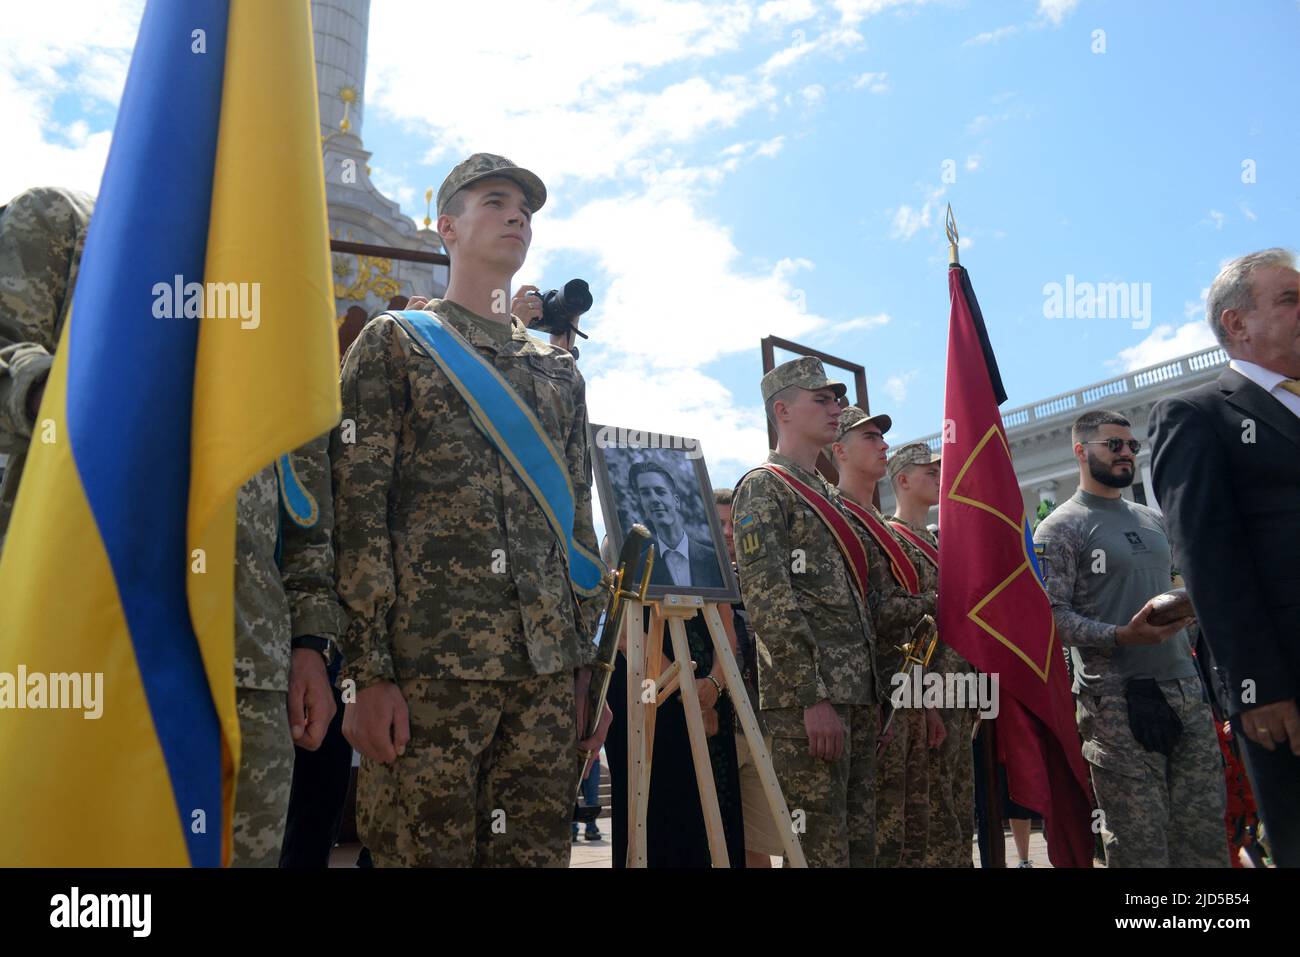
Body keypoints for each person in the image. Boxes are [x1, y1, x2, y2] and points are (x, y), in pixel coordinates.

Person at [0, 185, 340, 867]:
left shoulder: (275, 295)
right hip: (91, 640)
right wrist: (49, 387)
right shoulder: (64, 220)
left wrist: (310, 642)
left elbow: (305, 505)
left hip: (250, 668)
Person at [331, 153, 612, 867]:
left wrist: (590, 670)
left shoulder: (558, 374)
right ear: (448, 227)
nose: (517, 214)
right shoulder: (395, 344)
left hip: (546, 678)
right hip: (429, 675)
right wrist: (365, 672)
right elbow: (358, 511)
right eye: (495, 201)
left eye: (524, 207)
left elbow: (580, 530)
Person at [1150, 248, 1300, 867]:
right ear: (1237, 323)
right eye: (1290, 299)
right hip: (1285, 682)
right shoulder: (1199, 415)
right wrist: (1255, 685)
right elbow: (1209, 557)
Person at [1034, 409, 1225, 867]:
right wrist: (1122, 635)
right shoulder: (1060, 527)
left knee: (1203, 840)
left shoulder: (1152, 521)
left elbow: (1179, 590)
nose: (1125, 453)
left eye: (1131, 446)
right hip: (1115, 705)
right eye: (1113, 445)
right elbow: (1051, 618)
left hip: (1185, 694)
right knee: (1140, 848)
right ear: (1081, 451)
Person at [732, 358, 879, 867]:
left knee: (861, 849)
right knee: (818, 851)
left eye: (836, 399)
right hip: (811, 702)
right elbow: (768, 598)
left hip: (859, 694)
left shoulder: (831, 497)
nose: (836, 408)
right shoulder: (764, 486)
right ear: (783, 410)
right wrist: (809, 697)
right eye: (822, 399)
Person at [832, 408, 940, 867]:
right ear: (838, 451)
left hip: (906, 692)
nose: (883, 445)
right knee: (873, 836)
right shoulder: (836, 517)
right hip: (868, 698)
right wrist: (944, 599)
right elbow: (869, 611)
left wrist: (927, 699)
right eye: (870, 436)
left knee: (914, 830)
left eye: (883, 437)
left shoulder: (874, 524)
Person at [887, 441, 978, 868]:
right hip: (931, 696)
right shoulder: (894, 541)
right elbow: (905, 633)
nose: (940, 479)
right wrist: (923, 700)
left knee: (961, 809)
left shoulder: (943, 543)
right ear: (902, 480)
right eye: (929, 472)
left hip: (961, 691)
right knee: (935, 817)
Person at [716, 487, 784, 868]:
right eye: (720, 522)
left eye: (735, 523)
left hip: (759, 727)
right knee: (714, 837)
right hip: (715, 725)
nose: (728, 531)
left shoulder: (761, 583)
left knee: (758, 843)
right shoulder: (689, 583)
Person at [629, 461, 724, 589]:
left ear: (676, 501)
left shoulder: (715, 560)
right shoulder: (638, 568)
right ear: (642, 505)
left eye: (660, 491)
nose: (654, 500)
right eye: (646, 493)